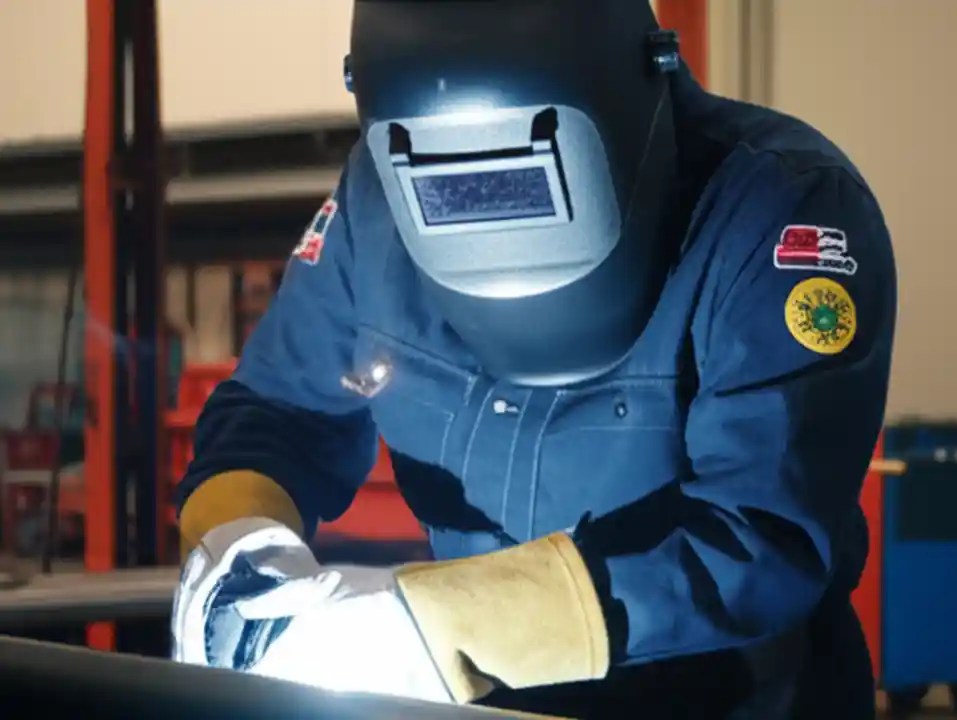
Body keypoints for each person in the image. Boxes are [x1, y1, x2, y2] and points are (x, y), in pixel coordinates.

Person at [170, 1, 897, 718]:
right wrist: (238, 543)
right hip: (475, 703)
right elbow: (279, 411)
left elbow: (762, 529)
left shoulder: (778, 209)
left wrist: (447, 625)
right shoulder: (378, 200)